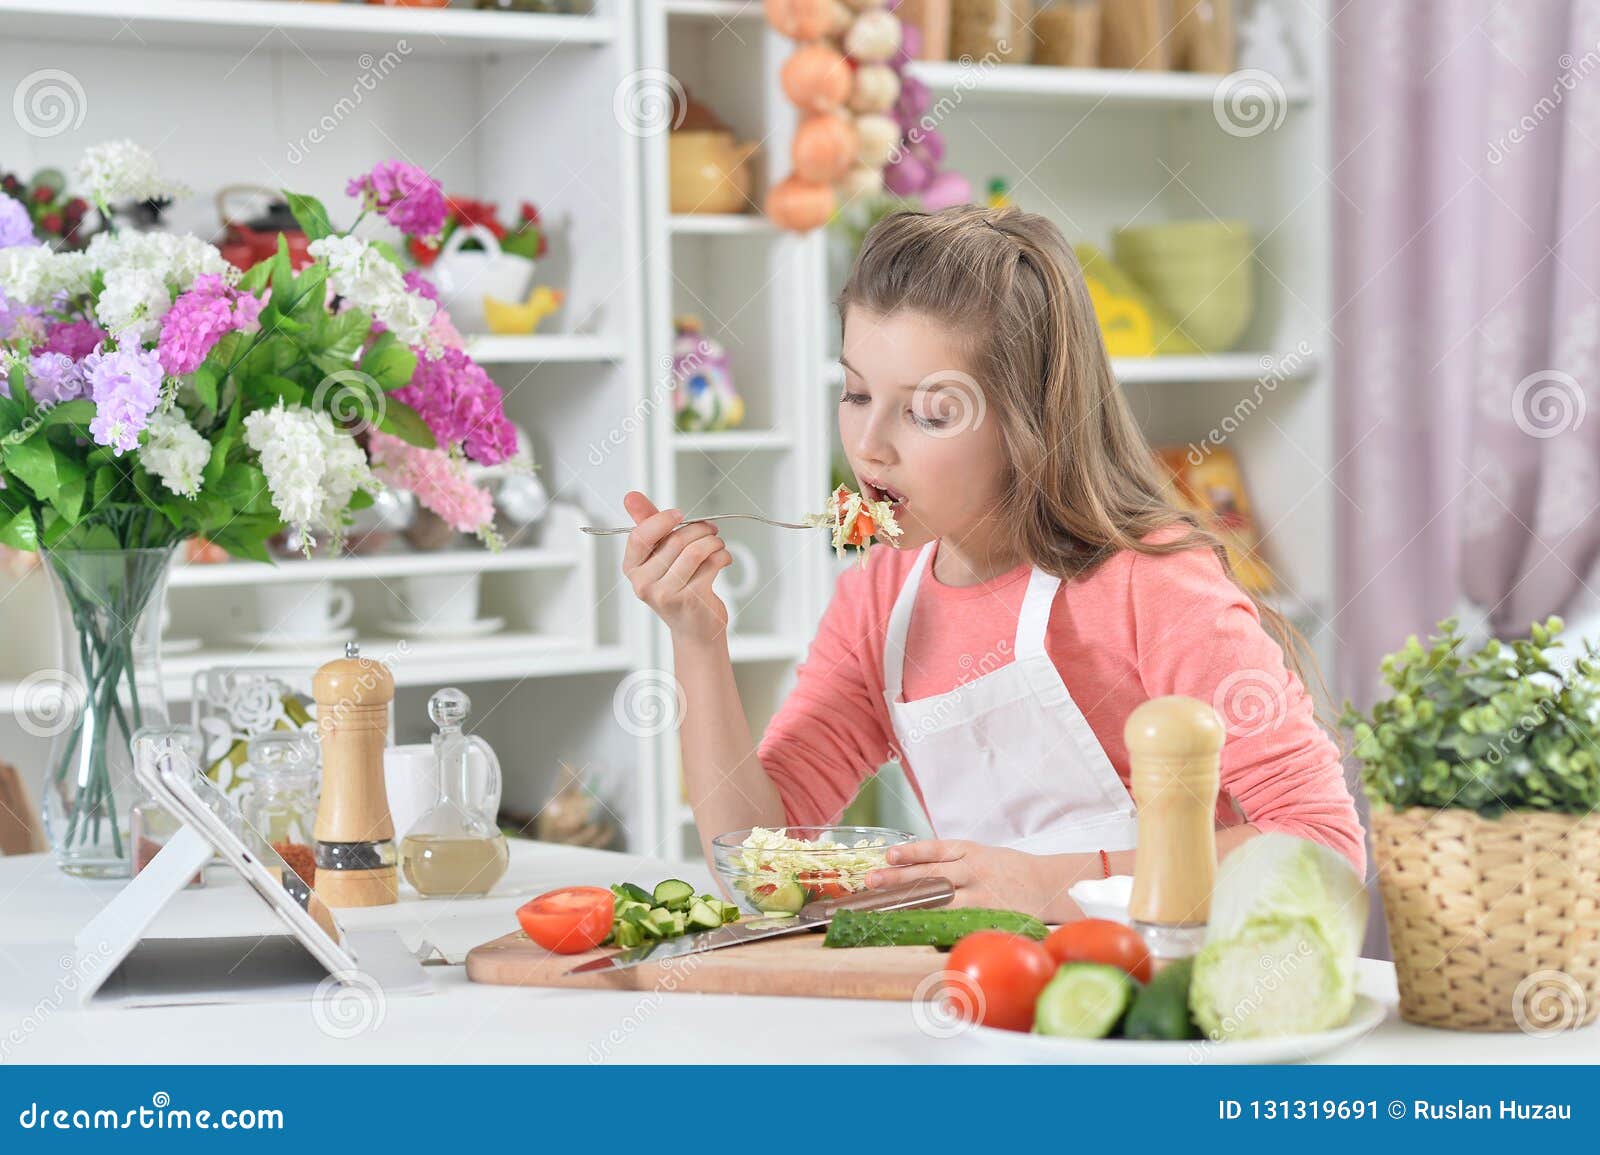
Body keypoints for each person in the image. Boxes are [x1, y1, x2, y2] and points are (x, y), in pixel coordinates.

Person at [620, 205, 1365, 921]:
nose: (870, 443)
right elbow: (762, 866)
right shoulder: (880, 601)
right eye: (855, 392)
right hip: (999, 1008)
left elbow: (1325, 850)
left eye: (929, 412)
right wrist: (697, 640)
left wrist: (1049, 886)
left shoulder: (1155, 583)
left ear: (1028, 420)